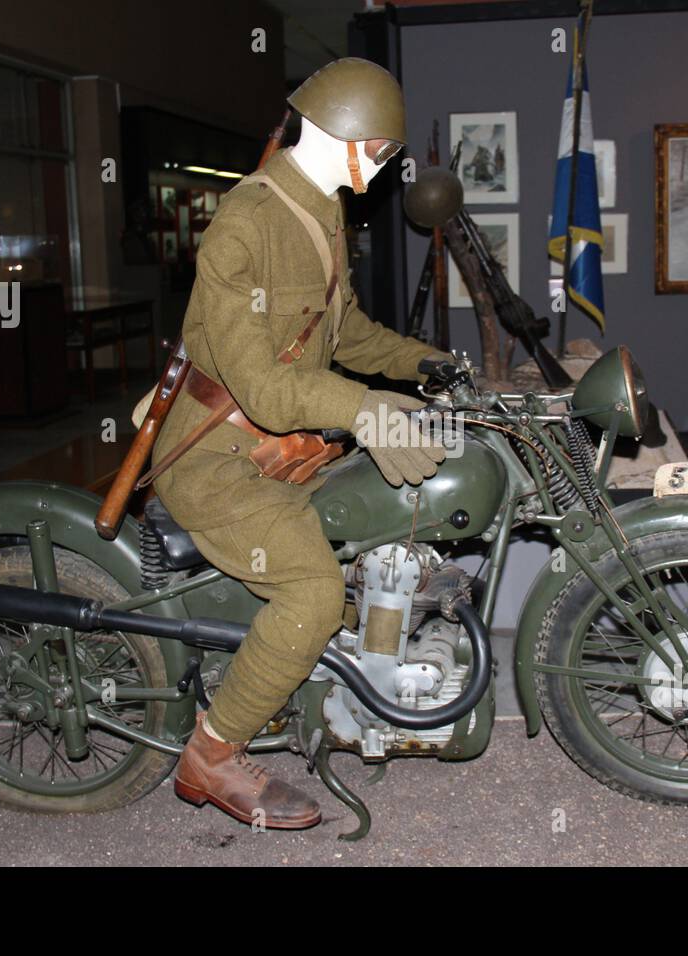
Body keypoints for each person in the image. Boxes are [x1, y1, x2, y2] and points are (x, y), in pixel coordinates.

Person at [151, 58, 448, 829]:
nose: (383, 172)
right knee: (314, 590)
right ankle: (211, 753)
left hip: (282, 450)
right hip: (217, 460)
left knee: (378, 520)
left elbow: (344, 332)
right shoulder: (245, 222)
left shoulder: (320, 212)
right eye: (381, 153)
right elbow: (264, 389)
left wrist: (427, 364)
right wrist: (367, 408)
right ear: (345, 135)